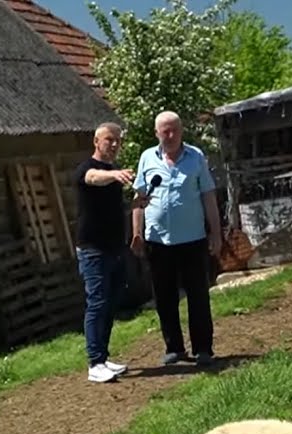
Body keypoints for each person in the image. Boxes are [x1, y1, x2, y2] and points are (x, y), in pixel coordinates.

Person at [131, 110, 224, 367]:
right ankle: (174, 348)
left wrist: (216, 233)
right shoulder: (147, 158)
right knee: (164, 296)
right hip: (158, 241)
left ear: (182, 131)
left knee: (198, 295)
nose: (170, 135)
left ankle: (203, 348)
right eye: (165, 130)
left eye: (174, 130)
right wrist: (136, 234)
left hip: (192, 238)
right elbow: (139, 199)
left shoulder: (196, 157)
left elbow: (208, 196)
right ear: (156, 133)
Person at [74, 122, 135, 384]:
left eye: (117, 141)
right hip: (93, 250)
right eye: (109, 139)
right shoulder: (87, 169)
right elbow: (92, 179)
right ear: (96, 142)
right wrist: (113, 175)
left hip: (115, 248)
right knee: (97, 303)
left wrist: (135, 204)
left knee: (111, 302)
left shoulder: (113, 173)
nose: (114, 144)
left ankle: (103, 357)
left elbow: (113, 207)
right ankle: (94, 363)